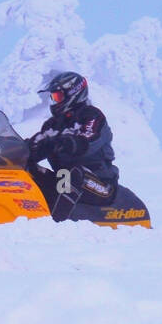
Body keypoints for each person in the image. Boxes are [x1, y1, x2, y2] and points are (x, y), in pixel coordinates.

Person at [27, 71, 119, 219]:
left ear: (73, 94)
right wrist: (12, 149)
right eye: (52, 98)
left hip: (101, 186)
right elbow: (37, 144)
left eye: (57, 97)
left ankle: (58, 224)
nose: (54, 102)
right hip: (64, 182)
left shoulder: (93, 117)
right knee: (31, 170)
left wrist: (68, 142)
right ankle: (22, 216)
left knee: (73, 173)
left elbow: (87, 140)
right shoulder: (53, 124)